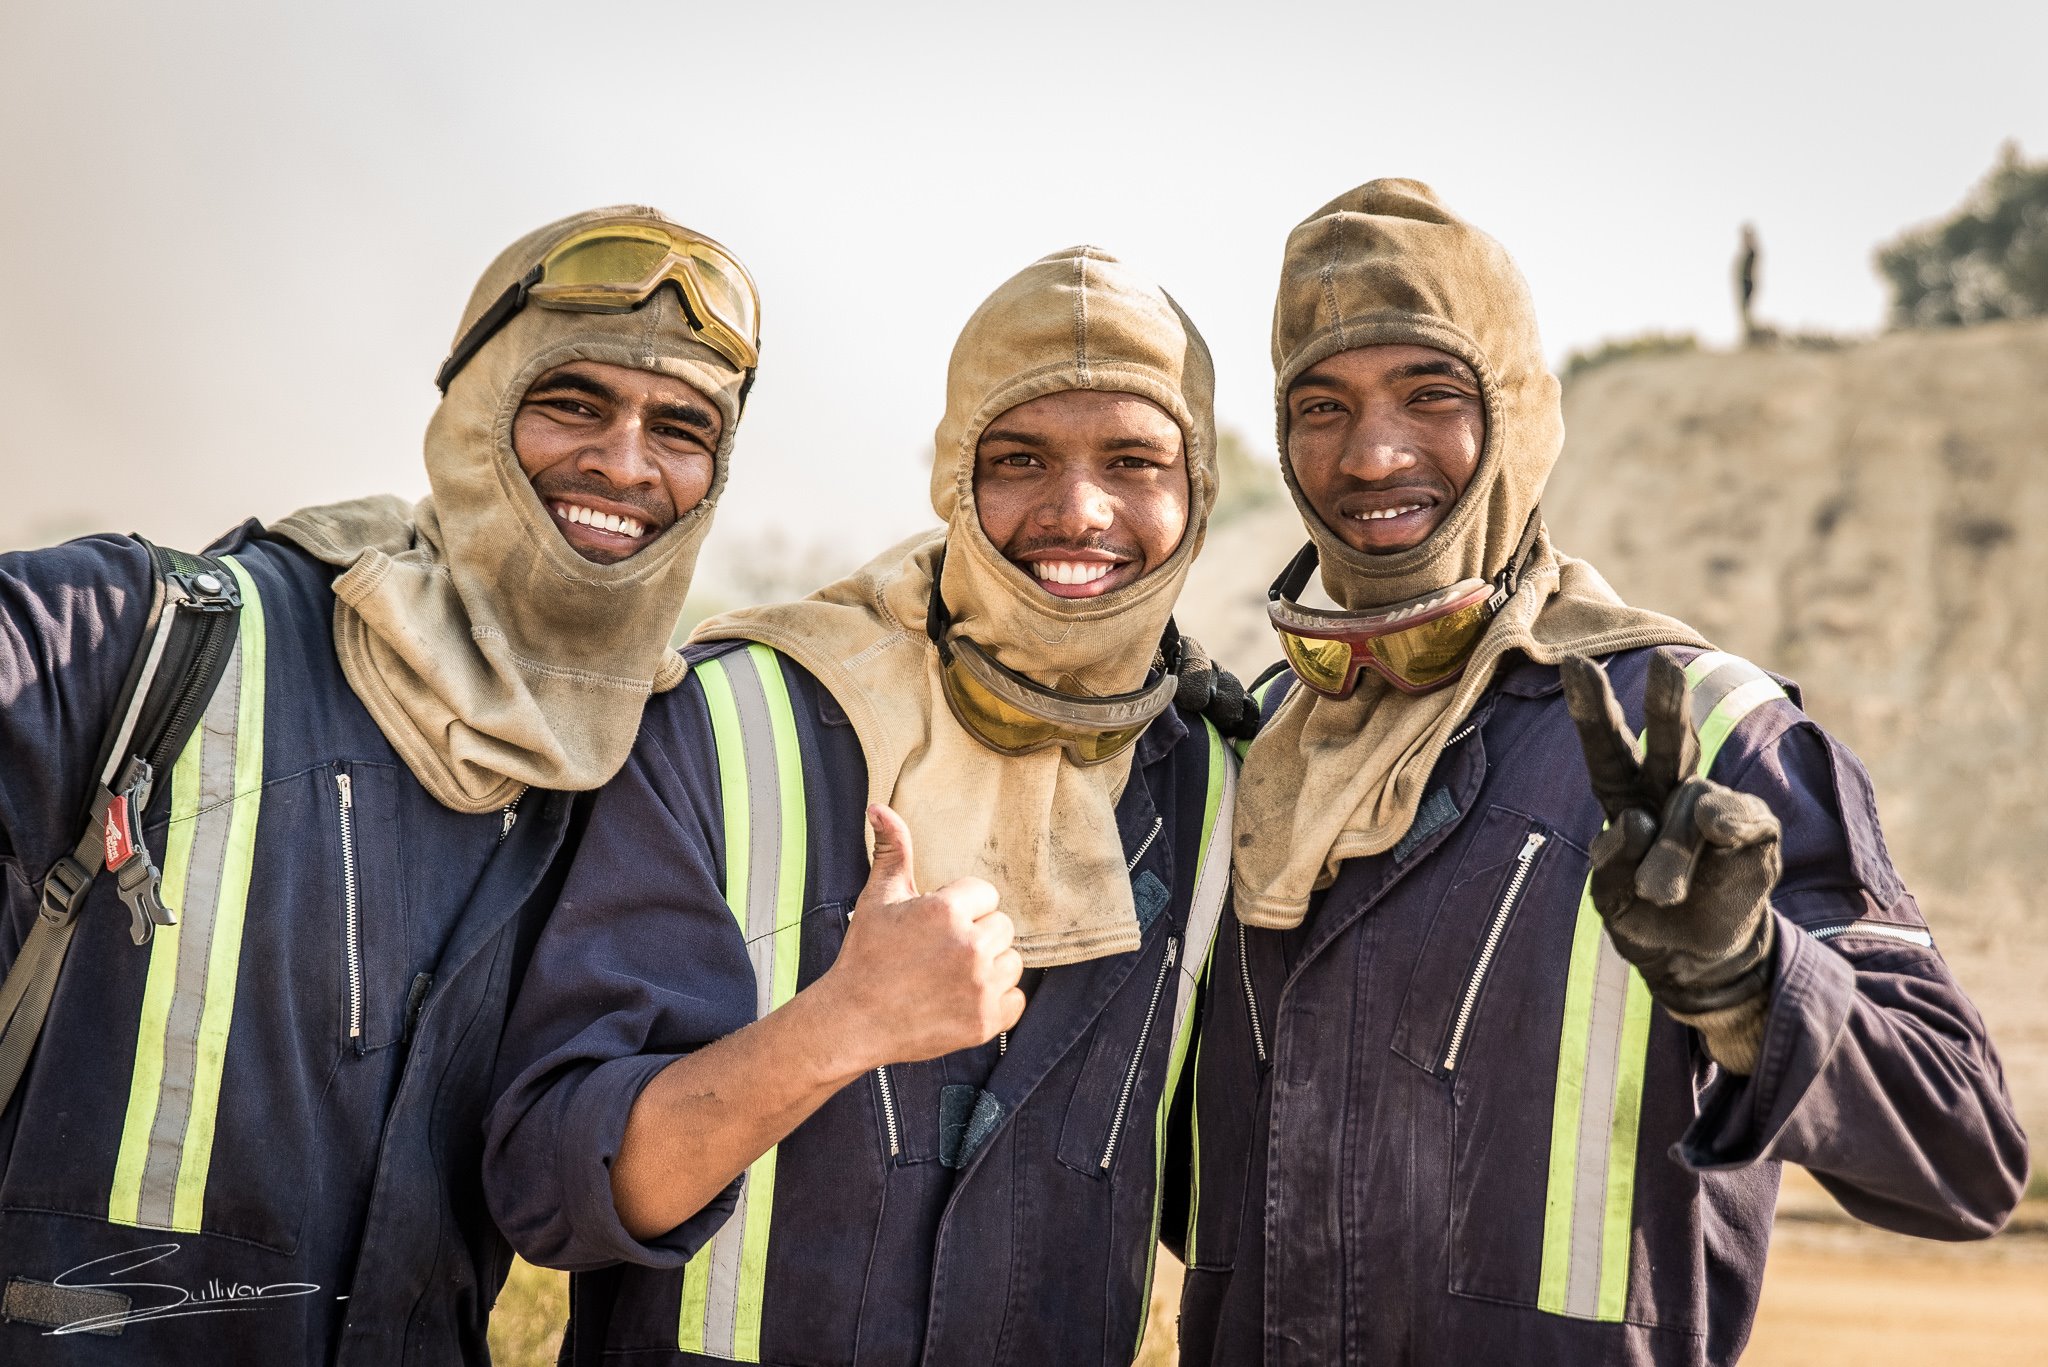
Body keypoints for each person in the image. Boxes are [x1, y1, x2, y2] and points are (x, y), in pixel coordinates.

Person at [1172, 180, 2027, 1367]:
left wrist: (1746, 982)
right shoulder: (1252, 750)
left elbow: (1962, 1154)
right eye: (1321, 406)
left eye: (1429, 394)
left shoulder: (1697, 733)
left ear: (1517, 416)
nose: (1370, 454)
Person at [0, 206, 759, 1364]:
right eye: (571, 402)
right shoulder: (155, 635)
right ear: (472, 405)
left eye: (682, 425)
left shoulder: (642, 763)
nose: (624, 460)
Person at [485, 246, 1253, 1365]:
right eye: (1019, 455)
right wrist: (836, 1027)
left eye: (1133, 459)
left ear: (1195, 493)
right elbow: (548, 1185)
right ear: (953, 476)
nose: (1075, 508)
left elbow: (1238, 1185)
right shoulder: (726, 719)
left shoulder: (1213, 783)